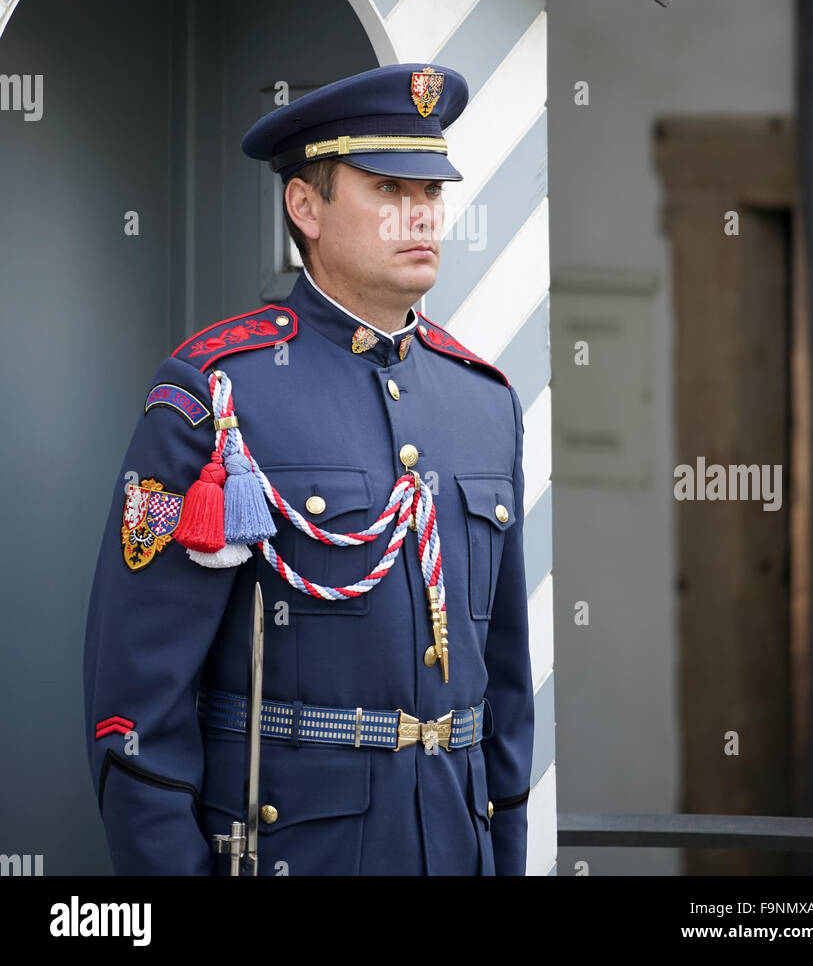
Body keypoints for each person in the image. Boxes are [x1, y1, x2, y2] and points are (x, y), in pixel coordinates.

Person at [83, 61, 534, 876]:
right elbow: (136, 704)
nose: (419, 216)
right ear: (305, 207)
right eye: (388, 191)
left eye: (430, 194)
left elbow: (502, 689)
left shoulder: (485, 402)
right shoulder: (214, 393)